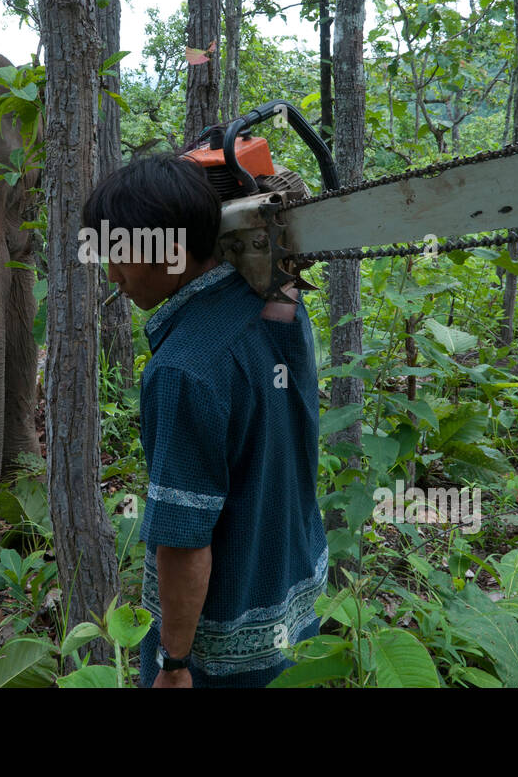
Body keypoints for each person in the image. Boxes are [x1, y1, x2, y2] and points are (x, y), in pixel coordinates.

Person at [82, 154, 328, 688]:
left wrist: (174, 664)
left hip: (220, 644)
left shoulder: (182, 371)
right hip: (297, 588)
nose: (113, 276)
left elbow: (183, 542)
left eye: (119, 258)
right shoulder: (279, 298)